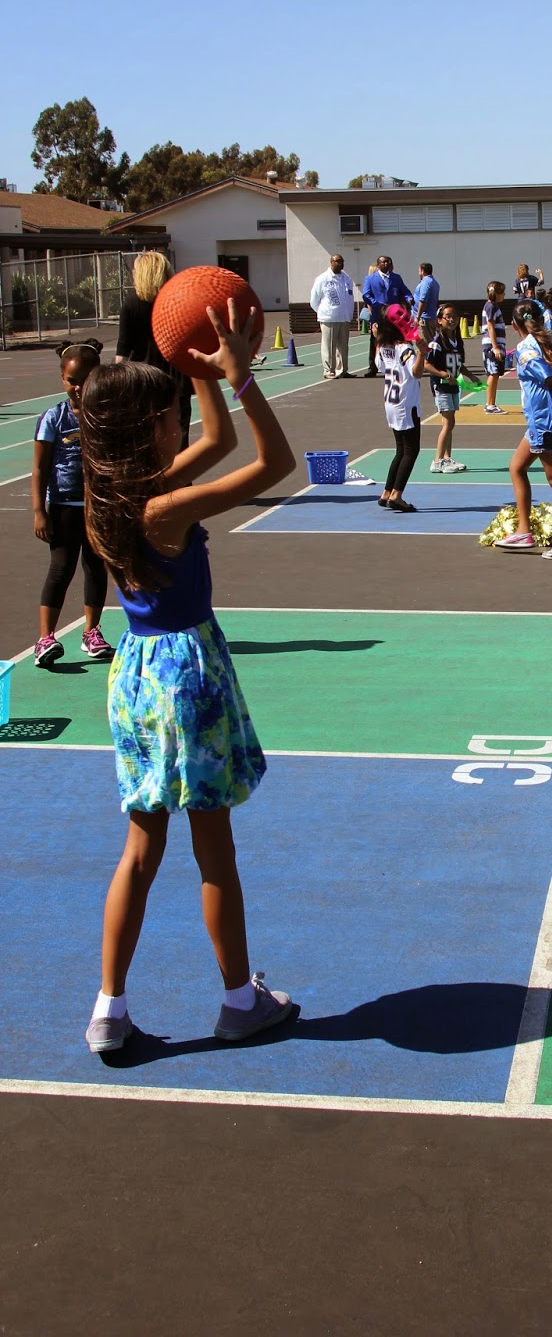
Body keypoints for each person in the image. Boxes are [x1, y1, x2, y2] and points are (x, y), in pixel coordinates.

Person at [78, 299, 297, 1053]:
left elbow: (217, 441)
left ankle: (109, 1010)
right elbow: (272, 462)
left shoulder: (111, 497)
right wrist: (241, 379)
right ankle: (241, 1000)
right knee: (214, 850)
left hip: (137, 676)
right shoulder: (164, 508)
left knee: (140, 849)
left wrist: (197, 368)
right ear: (149, 433)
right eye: (170, 412)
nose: (181, 421)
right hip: (186, 676)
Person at [32, 340, 114, 669]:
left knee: (96, 567)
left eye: (85, 379)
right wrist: (39, 511)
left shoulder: (106, 415)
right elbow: (39, 468)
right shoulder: (54, 417)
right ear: (62, 379)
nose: (78, 388)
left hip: (98, 506)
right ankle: (45, 638)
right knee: (61, 568)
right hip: (63, 505)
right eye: (72, 381)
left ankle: (91, 632)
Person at [494, 301, 552, 559]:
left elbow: (549, 377)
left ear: (514, 325)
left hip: (543, 420)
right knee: (517, 467)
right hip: (547, 420)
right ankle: (524, 531)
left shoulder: (525, 349)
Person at [116, 250, 192, 444]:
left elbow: (123, 350)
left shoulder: (131, 303)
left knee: (146, 437)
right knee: (178, 436)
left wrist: (118, 384)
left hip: (144, 377)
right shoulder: (177, 301)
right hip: (176, 376)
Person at [374, 304, 427, 511]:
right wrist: (421, 354)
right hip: (406, 403)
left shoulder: (385, 346)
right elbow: (416, 372)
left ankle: (387, 491)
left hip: (391, 402)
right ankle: (397, 495)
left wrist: (377, 338)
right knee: (412, 451)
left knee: (401, 449)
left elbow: (379, 365)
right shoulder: (404, 348)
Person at [425, 304, 474, 472]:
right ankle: (437, 461)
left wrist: (471, 376)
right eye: (448, 317)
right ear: (439, 320)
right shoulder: (437, 342)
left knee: (450, 422)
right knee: (448, 422)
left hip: (454, 387)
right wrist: (444, 375)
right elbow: (427, 365)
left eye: (455, 316)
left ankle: (446, 458)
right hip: (442, 386)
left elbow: (459, 365)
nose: (452, 320)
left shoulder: (457, 341)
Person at [360, 255, 413, 377]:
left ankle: (396, 364)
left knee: (395, 338)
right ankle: (372, 367)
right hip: (379, 314)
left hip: (394, 314)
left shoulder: (396, 278)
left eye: (388, 262)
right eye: (383, 262)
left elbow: (404, 291)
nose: (386, 264)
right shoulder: (370, 279)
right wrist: (377, 304)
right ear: (378, 264)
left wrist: (409, 298)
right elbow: (366, 295)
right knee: (376, 339)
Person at [309, 253, 356, 379]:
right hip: (329, 317)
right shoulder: (323, 279)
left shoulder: (346, 278)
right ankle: (329, 370)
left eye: (342, 261)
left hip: (344, 317)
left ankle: (343, 370)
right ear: (331, 262)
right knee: (329, 345)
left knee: (343, 346)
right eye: (338, 261)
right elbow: (314, 300)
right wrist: (324, 312)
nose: (341, 264)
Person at [481, 280, 508, 414]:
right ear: (496, 293)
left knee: (496, 374)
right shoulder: (491, 306)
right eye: (502, 292)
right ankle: (490, 404)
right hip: (492, 346)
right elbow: (490, 327)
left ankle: (492, 403)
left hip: (496, 344)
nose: (504, 294)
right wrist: (495, 347)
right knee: (493, 373)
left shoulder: (494, 306)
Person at [411, 261, 440, 341]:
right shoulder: (434, 282)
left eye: (419, 271)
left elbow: (423, 300)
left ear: (423, 271)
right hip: (429, 317)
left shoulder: (426, 283)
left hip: (424, 319)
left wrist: (418, 317)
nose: (418, 273)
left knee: (425, 342)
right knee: (430, 340)